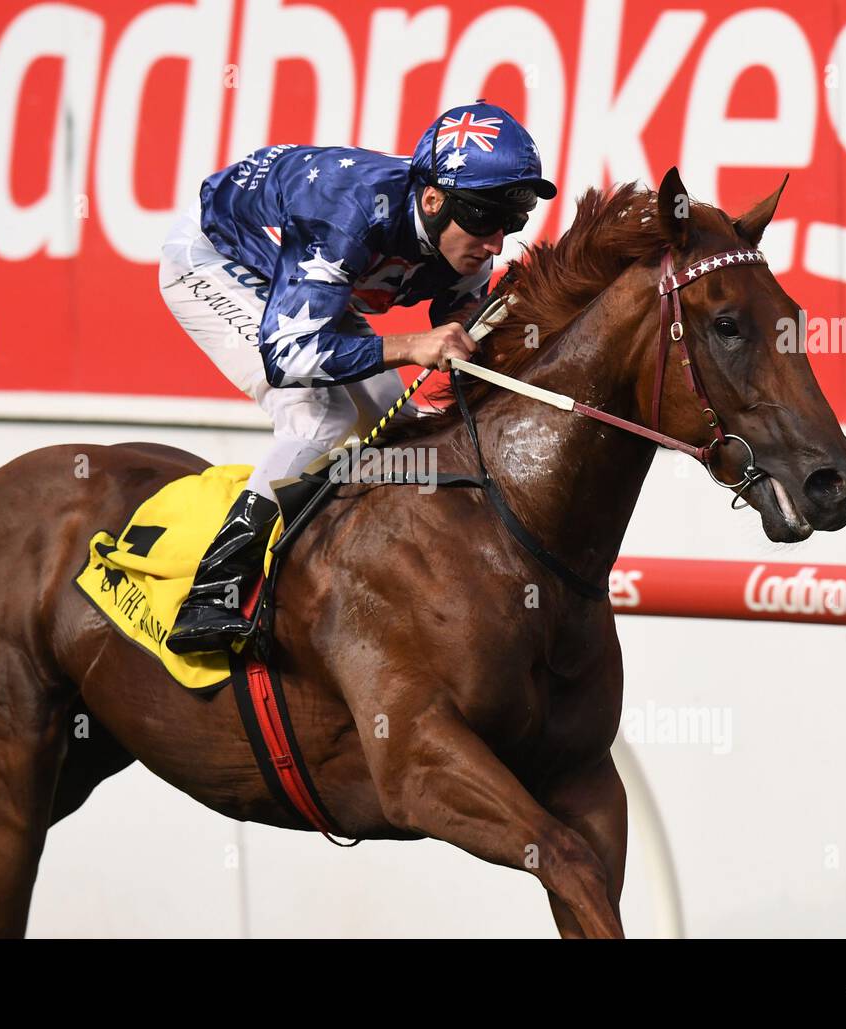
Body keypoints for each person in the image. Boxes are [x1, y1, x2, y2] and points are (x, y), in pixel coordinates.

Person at [158, 100, 556, 654]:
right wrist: (414, 345)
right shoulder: (347, 217)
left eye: (513, 223)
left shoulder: (459, 232)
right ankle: (213, 593)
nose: (497, 241)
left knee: (404, 423)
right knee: (322, 418)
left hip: (304, 281)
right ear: (434, 199)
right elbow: (289, 354)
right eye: (486, 218)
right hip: (216, 259)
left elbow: (459, 325)